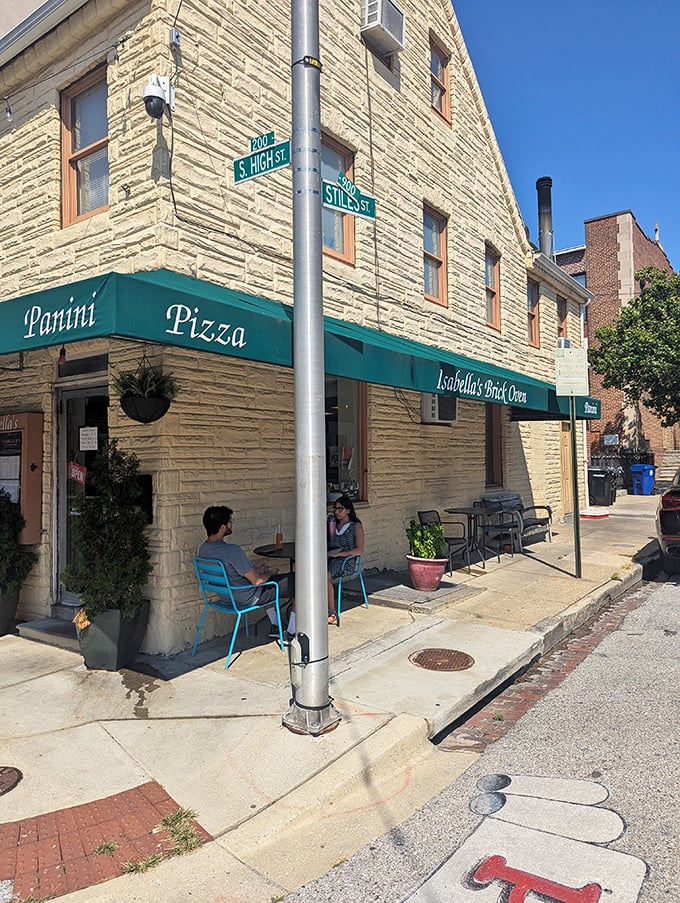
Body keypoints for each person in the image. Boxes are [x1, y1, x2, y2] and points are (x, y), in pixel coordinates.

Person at [198, 506, 294, 639]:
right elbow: (257, 581)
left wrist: (256, 570)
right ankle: (291, 633)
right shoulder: (232, 551)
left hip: (227, 597)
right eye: (230, 522)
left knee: (268, 581)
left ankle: (276, 626)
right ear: (223, 527)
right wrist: (270, 572)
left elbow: (231, 573)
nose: (232, 525)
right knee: (299, 581)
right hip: (247, 597)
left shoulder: (203, 550)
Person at [327, 495, 365, 625]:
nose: (337, 512)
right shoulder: (332, 525)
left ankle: (331, 611)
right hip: (330, 557)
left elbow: (359, 550)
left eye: (340, 509)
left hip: (346, 560)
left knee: (324, 576)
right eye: (335, 509)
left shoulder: (355, 526)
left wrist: (340, 554)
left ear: (348, 510)